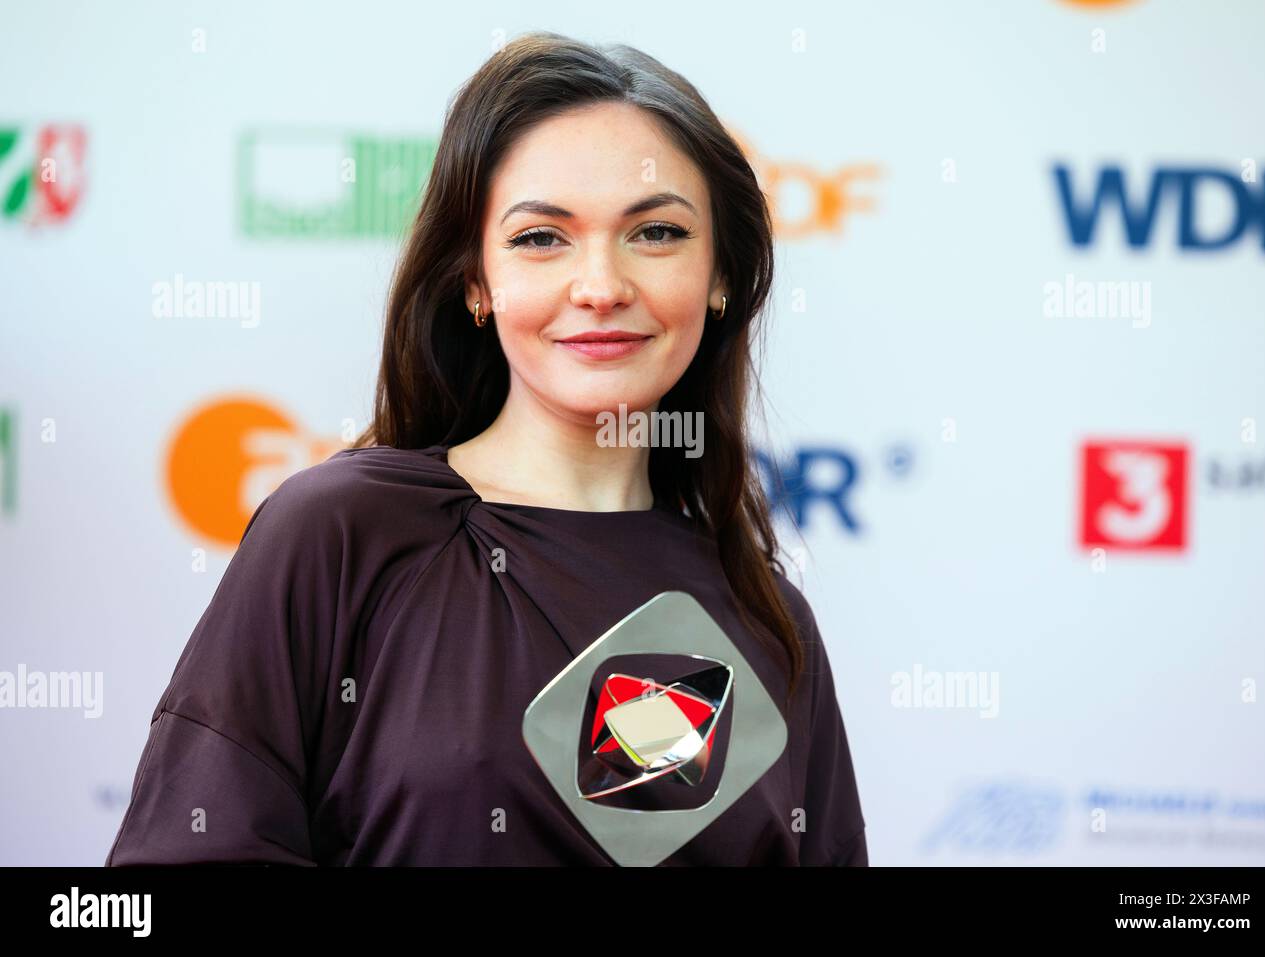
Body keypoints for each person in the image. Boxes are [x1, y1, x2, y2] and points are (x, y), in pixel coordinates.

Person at [105, 31, 868, 866]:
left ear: (723, 275)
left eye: (655, 233)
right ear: (474, 280)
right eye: (541, 237)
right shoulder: (341, 535)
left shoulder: (767, 621)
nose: (602, 286)